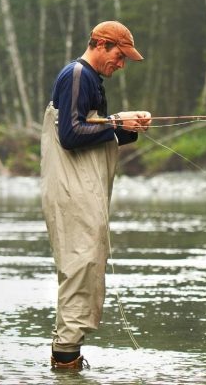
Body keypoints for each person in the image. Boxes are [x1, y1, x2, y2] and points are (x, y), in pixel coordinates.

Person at [40, 20, 151, 370]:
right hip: (71, 189)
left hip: (80, 188)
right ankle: (65, 362)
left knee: (88, 261)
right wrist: (117, 122)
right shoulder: (77, 75)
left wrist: (127, 127)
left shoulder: (91, 79)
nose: (121, 64)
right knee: (80, 263)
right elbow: (71, 134)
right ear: (101, 45)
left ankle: (68, 358)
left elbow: (93, 131)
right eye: (119, 56)